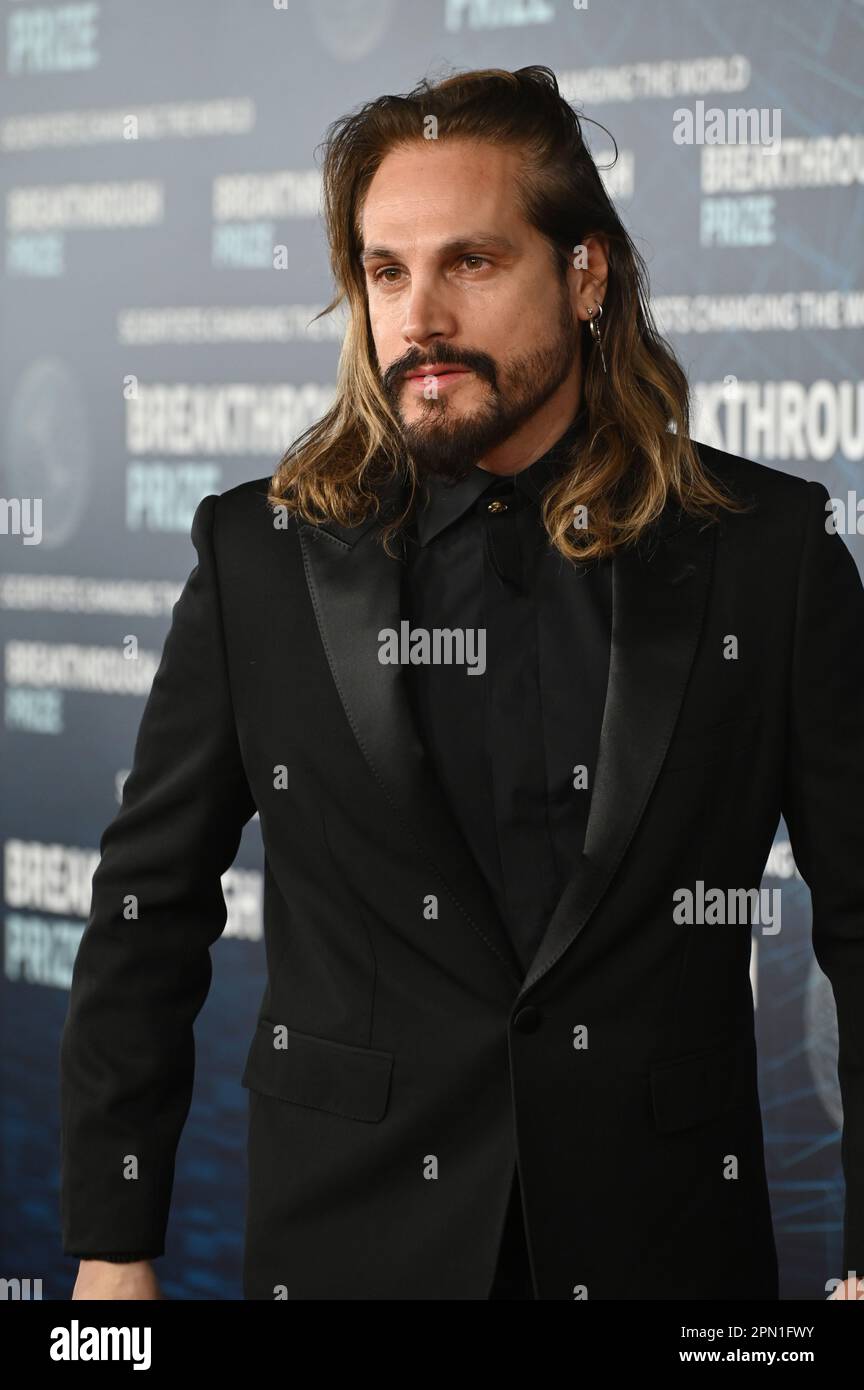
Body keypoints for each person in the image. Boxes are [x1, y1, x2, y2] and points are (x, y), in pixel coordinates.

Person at [62, 65, 864, 1301]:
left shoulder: (770, 551)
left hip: (664, 1248)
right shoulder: (258, 559)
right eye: (386, 272)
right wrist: (113, 1250)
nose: (418, 317)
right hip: (346, 1243)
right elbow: (145, 908)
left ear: (585, 274)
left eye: (471, 263)